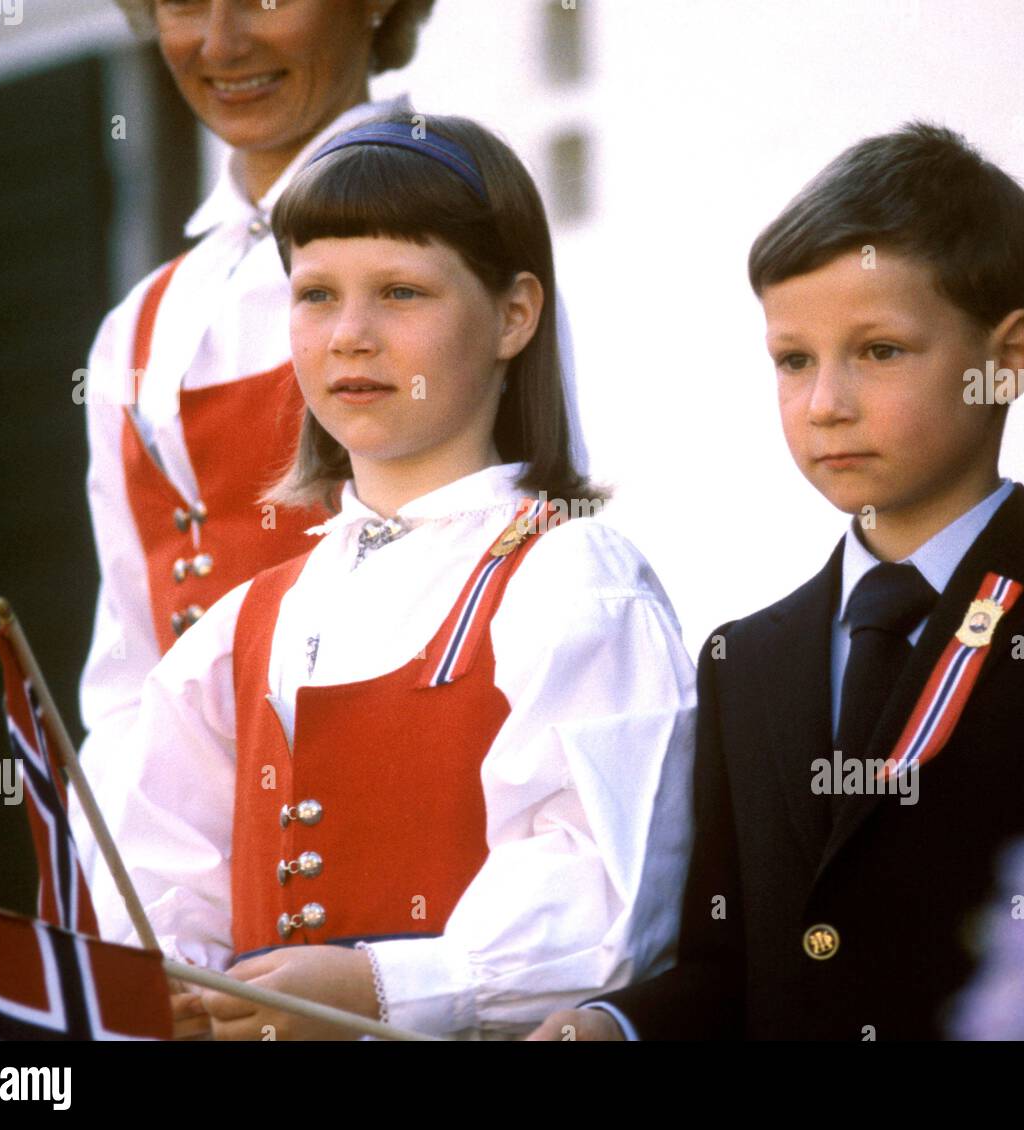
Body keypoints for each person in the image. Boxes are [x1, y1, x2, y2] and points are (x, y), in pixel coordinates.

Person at [531, 121, 1024, 1041]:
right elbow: (728, 971)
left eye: (881, 351)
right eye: (794, 360)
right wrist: (611, 1027)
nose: (826, 404)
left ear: (1008, 359)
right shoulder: (746, 658)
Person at [94, 111, 696, 1041]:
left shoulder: (572, 578)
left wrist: (383, 988)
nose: (351, 336)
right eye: (316, 295)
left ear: (513, 315)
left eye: (402, 292)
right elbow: (158, 881)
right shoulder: (241, 626)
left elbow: (606, 895)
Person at [77, 0, 586, 905]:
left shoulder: (452, 235)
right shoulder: (137, 326)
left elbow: (527, 541)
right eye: (183, 3)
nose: (222, 43)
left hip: (400, 864)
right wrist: (130, 923)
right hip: (187, 886)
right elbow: (126, 666)